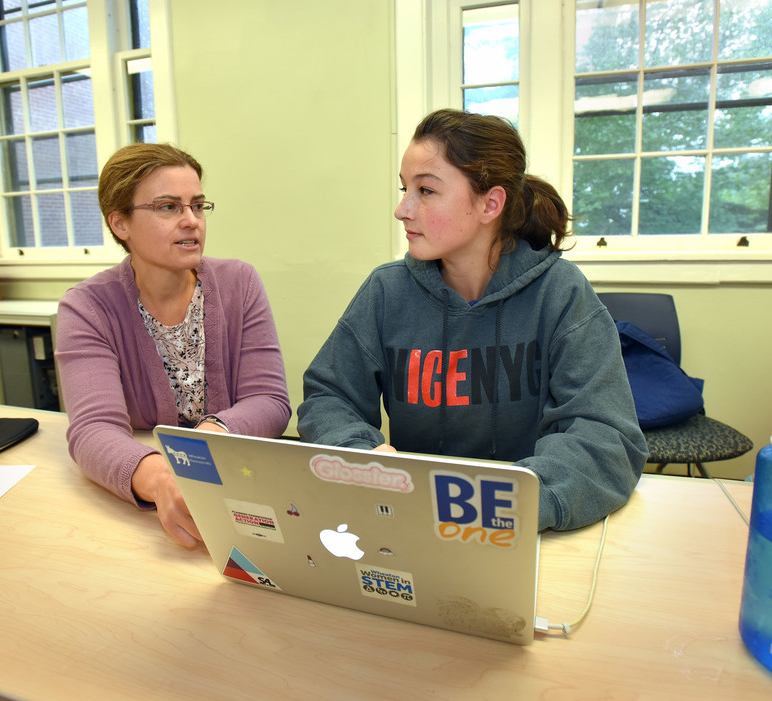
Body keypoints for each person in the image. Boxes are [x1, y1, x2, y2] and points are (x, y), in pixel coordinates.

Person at [298, 109, 648, 531]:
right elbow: (328, 398)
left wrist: (509, 504)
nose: (401, 209)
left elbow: (606, 438)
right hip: (413, 528)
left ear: (490, 204)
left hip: (526, 533)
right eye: (404, 188)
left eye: (425, 190)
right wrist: (362, 458)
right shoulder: (386, 292)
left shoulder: (561, 293)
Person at [55, 143, 290, 548]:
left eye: (197, 206)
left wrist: (206, 440)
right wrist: (162, 479)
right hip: (147, 507)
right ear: (120, 224)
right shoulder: (87, 307)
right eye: (168, 207)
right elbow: (93, 429)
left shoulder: (239, 283)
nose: (191, 221)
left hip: (241, 482)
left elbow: (269, 400)